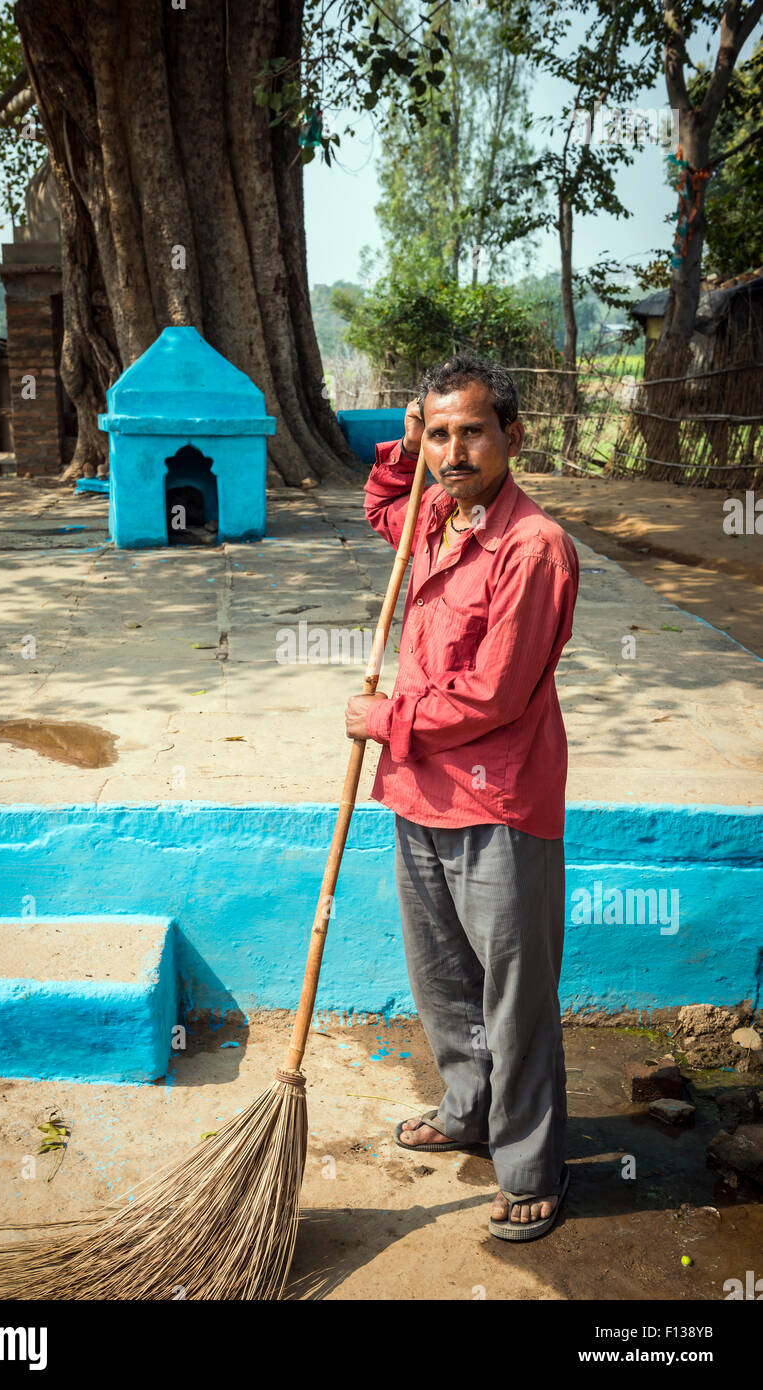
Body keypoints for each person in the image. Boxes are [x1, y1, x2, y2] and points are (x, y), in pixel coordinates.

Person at [345, 354, 579, 1240]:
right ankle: (466, 1110)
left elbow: (494, 693)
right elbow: (381, 511)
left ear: (511, 438)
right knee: (443, 979)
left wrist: (383, 716)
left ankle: (528, 1164)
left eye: (470, 432)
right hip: (418, 793)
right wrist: (401, 451)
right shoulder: (436, 516)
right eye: (439, 433)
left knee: (512, 996)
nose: (454, 450)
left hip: (498, 802)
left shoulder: (532, 547)